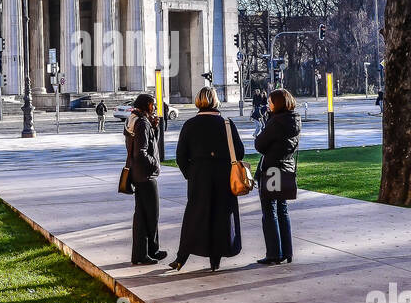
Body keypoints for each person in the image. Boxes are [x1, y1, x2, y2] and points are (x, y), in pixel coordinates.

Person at [172, 86, 244, 272]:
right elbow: (240, 152)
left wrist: (191, 173)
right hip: (223, 176)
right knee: (220, 217)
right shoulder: (226, 124)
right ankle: (215, 260)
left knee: (194, 217)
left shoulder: (190, 125)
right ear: (216, 101)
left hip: (199, 176)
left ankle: (181, 257)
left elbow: (180, 155)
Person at [254, 88, 300, 265]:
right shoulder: (294, 120)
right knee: (282, 209)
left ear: (277, 103)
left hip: (272, 170)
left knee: (269, 211)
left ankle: (274, 253)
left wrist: (266, 123)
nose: (268, 104)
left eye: (270, 102)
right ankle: (286, 251)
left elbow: (260, 144)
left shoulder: (276, 122)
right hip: (286, 168)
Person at [123, 93, 166, 265]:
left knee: (142, 215)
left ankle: (147, 251)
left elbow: (145, 145)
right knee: (151, 214)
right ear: (148, 105)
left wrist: (154, 128)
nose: (155, 107)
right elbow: (141, 152)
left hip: (136, 173)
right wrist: (154, 163)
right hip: (146, 175)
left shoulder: (132, 120)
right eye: (153, 104)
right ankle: (146, 252)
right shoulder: (142, 123)